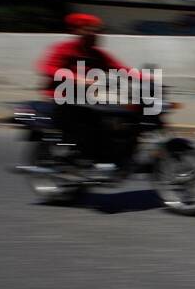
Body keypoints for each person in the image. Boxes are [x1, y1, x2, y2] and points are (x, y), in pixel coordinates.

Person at [35, 13, 134, 174]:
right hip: (61, 97)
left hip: (86, 98)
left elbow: (123, 70)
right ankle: (87, 158)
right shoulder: (64, 49)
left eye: (98, 30)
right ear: (79, 31)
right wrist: (79, 79)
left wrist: (150, 79)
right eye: (91, 30)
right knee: (90, 121)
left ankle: (111, 156)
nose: (96, 34)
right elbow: (47, 68)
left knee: (119, 115)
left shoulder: (98, 55)